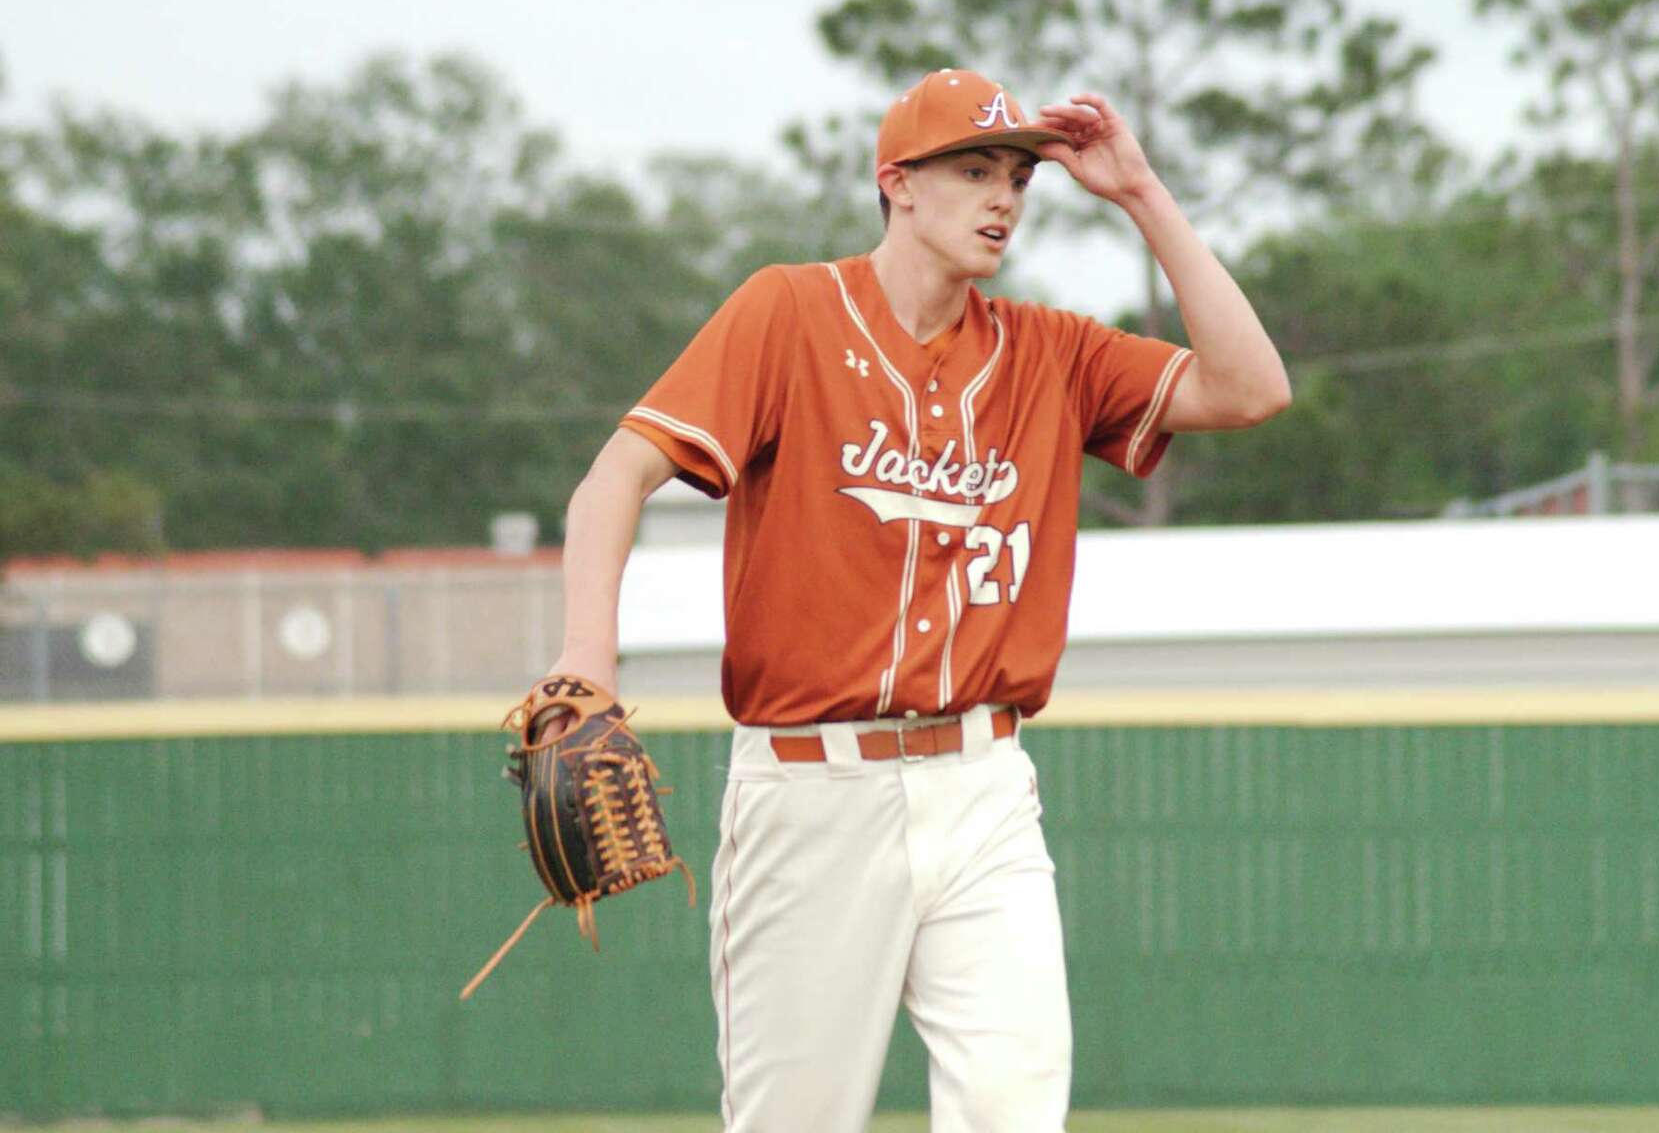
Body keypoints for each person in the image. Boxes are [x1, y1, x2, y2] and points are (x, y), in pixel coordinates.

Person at [541, 68, 1290, 1131]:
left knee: (1013, 1108)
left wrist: (1141, 196)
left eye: (1020, 176)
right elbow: (612, 477)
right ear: (897, 183)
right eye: (974, 171)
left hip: (985, 783)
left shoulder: (1052, 352)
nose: (1005, 199)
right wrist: (584, 667)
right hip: (813, 790)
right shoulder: (788, 312)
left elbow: (1252, 386)